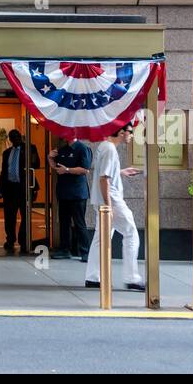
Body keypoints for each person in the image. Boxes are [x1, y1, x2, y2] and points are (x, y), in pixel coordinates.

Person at [83, 123, 144, 291]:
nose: (131, 135)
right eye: (130, 132)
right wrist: (109, 207)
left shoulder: (104, 146)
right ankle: (132, 278)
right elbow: (104, 178)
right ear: (121, 132)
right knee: (131, 233)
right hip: (112, 200)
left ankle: (93, 276)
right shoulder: (110, 149)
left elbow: (104, 174)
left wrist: (120, 171)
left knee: (100, 238)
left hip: (101, 200)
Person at [49, 133, 92, 260]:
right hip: (63, 192)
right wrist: (50, 158)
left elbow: (85, 169)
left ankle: (85, 252)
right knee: (64, 222)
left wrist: (67, 170)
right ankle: (64, 249)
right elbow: (56, 168)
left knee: (79, 223)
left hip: (78, 193)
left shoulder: (83, 148)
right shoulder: (61, 150)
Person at [0, 129, 40, 254]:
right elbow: (3, 172)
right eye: (12, 137)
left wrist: (29, 153)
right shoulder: (7, 153)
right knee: (9, 217)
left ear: (21, 137)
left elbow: (36, 164)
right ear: (10, 139)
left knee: (25, 216)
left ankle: (23, 241)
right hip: (10, 188)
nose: (15, 139)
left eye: (17, 136)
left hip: (25, 188)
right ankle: (10, 240)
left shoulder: (30, 148)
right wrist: (0, 188)